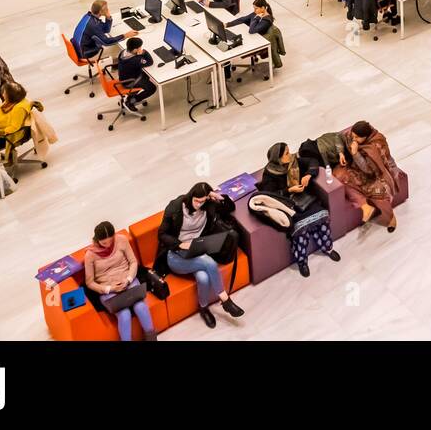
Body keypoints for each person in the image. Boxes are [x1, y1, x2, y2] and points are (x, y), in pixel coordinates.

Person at [155, 183, 245, 328]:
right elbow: (162, 234)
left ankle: (203, 309)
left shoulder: (208, 205)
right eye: (196, 200)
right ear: (191, 196)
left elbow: (230, 207)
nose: (199, 204)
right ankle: (225, 300)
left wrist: (218, 197)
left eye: (202, 201)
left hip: (196, 251)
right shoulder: (176, 207)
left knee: (203, 278)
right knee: (209, 262)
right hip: (176, 255)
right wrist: (179, 244)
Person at [254, 143, 339, 277]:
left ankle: (327, 247)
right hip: (288, 205)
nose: (290, 154)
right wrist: (289, 190)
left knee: (322, 220)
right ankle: (302, 262)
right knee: (300, 232)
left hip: (305, 199)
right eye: (286, 153)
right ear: (279, 159)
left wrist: (308, 175)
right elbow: (270, 195)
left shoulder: (294, 161)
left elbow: (312, 161)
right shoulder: (270, 174)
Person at [318, 121, 402, 231]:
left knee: (378, 191)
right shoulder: (353, 134)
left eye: (357, 137)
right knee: (339, 175)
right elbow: (338, 136)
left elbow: (369, 170)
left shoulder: (375, 144)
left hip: (380, 172)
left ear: (366, 137)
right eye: (353, 136)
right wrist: (341, 152)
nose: (354, 139)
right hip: (357, 167)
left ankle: (390, 219)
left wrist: (355, 153)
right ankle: (365, 206)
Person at [83, 221, 157, 341]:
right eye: (103, 242)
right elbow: (90, 282)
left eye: (110, 241)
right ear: (97, 239)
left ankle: (151, 338)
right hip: (108, 290)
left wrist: (128, 279)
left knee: (141, 307)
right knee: (124, 314)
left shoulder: (121, 240)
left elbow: (133, 262)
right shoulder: (90, 255)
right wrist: (110, 288)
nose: (108, 245)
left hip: (128, 281)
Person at [227, 0, 287, 70]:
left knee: (232, 46)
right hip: (252, 38)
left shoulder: (267, 20)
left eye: (256, 8)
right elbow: (243, 19)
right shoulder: (257, 13)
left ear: (263, 8)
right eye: (254, 8)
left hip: (258, 43)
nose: (254, 10)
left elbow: (252, 30)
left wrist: (257, 18)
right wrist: (228, 24)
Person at [75, 0, 125, 67]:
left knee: (115, 43)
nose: (108, 10)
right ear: (100, 12)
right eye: (106, 9)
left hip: (80, 49)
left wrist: (108, 17)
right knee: (120, 48)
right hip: (87, 54)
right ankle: (115, 66)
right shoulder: (93, 25)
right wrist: (125, 35)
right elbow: (107, 42)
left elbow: (106, 30)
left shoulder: (88, 16)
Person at [115, 37, 157, 110]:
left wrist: (139, 54)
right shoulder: (135, 60)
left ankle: (131, 96)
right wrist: (144, 52)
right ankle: (131, 101)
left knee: (146, 75)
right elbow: (150, 62)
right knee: (152, 88)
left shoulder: (123, 52)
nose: (141, 48)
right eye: (140, 47)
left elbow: (136, 58)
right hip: (130, 82)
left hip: (124, 78)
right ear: (135, 49)